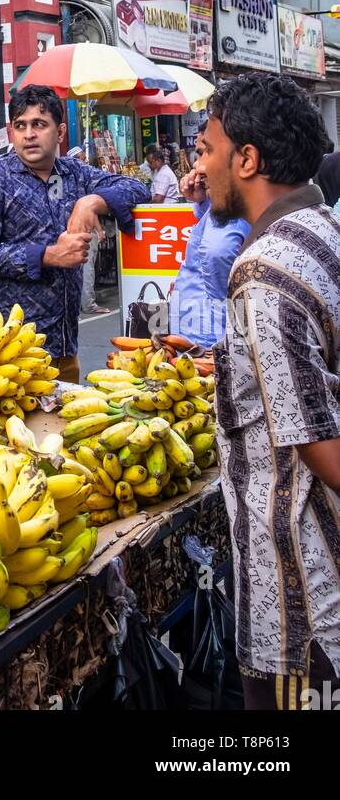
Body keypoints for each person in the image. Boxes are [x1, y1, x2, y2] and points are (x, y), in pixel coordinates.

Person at [199, 72, 340, 710]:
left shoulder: (263, 270)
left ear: (247, 159)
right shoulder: (322, 231)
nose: (199, 169)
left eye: (206, 150)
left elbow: (313, 438)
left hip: (298, 600)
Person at [0, 86, 149, 382]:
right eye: (20, 126)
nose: (29, 134)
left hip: (63, 345)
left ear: (60, 132)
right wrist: (49, 255)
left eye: (39, 124)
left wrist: (93, 201)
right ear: (11, 132)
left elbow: (138, 188)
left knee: (64, 427)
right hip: (6, 352)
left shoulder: (75, 174)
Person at [169, 129, 249, 346]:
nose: (197, 165)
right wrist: (204, 202)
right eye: (199, 154)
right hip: (194, 332)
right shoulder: (218, 207)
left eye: (207, 152)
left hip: (210, 340)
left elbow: (216, 254)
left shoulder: (233, 211)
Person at [66, 145, 109, 317]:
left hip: (73, 230)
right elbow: (90, 210)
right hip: (84, 230)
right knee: (87, 267)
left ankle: (79, 302)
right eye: (82, 159)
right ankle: (89, 304)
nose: (86, 161)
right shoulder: (81, 180)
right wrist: (99, 230)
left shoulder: (70, 180)